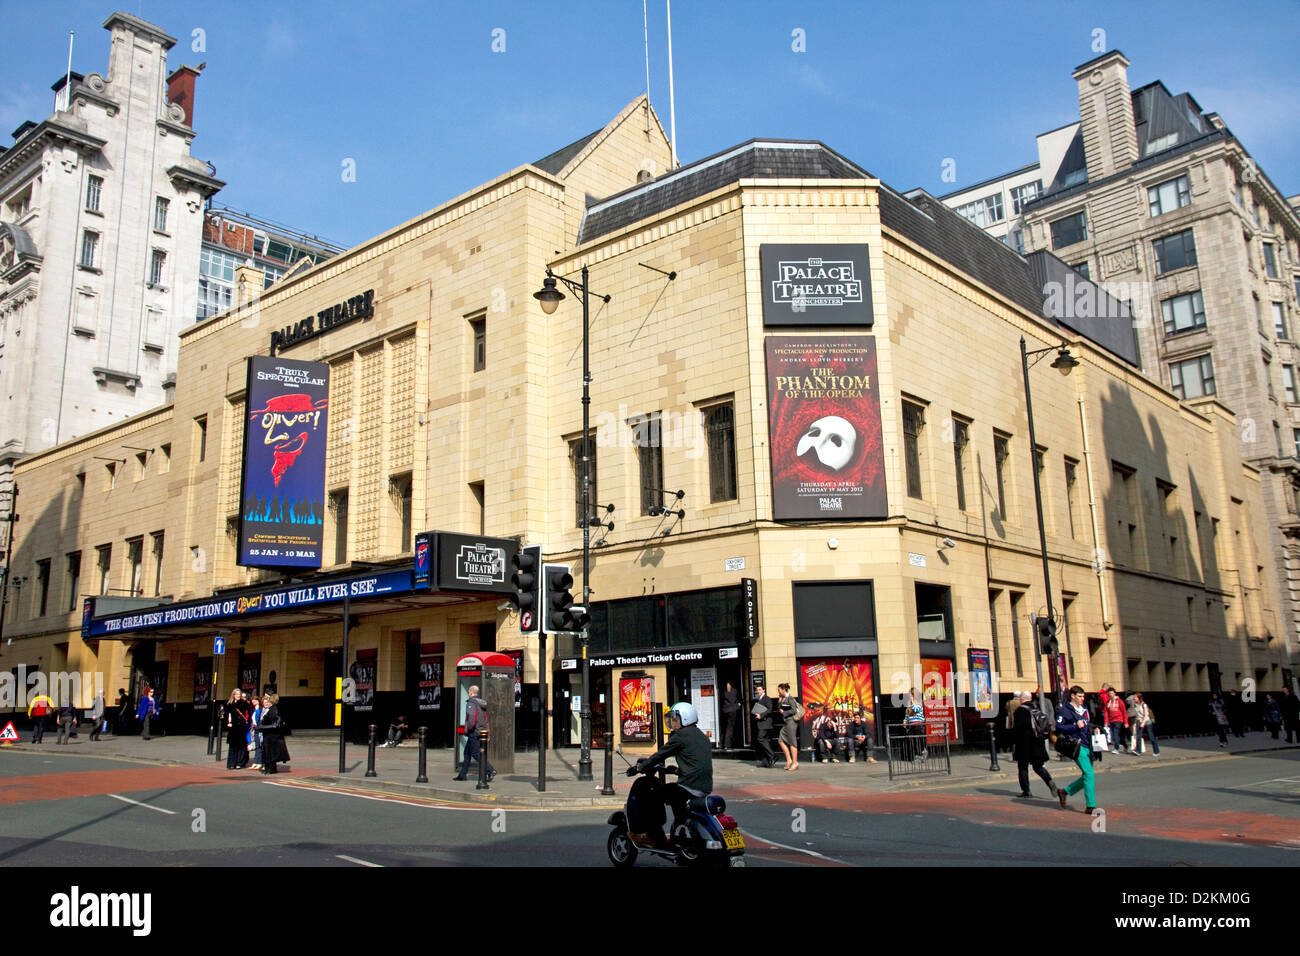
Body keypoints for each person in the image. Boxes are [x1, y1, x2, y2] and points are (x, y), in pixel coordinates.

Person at [635, 701, 713, 847]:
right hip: (704, 787)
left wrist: (641, 767)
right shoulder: (701, 735)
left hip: (688, 787)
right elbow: (696, 762)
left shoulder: (681, 736)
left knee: (651, 795)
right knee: (674, 799)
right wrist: (676, 770)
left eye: (675, 720)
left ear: (685, 719)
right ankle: (680, 831)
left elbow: (660, 754)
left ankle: (654, 836)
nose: (673, 723)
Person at [1056, 685, 1099, 813]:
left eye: (1083, 696)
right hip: (1077, 746)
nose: (1082, 698)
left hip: (1088, 745)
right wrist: (1075, 726)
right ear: (1073, 696)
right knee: (1089, 775)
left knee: (1087, 776)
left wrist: (1094, 728)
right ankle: (1091, 806)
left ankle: (1064, 791)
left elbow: (1087, 724)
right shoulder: (1064, 710)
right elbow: (1059, 726)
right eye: (1080, 696)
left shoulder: (1084, 709)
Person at [1011, 691, 1056, 799]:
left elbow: (1017, 729)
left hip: (1024, 744)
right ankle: (1050, 781)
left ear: (1022, 699)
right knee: (1038, 767)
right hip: (1037, 743)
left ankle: (1026, 791)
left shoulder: (1020, 711)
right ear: (1030, 698)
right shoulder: (1036, 708)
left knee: (1023, 767)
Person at [454, 685, 496, 782]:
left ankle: (490, 770)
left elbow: (471, 718)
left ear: (470, 692)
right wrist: (488, 733)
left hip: (474, 732)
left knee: (475, 754)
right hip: (480, 731)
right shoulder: (481, 703)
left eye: (469, 691)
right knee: (467, 753)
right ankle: (462, 775)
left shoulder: (471, 703)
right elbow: (486, 719)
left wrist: (468, 729)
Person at [256, 693, 289, 774]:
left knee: (269, 752)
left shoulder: (272, 709)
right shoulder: (274, 708)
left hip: (270, 734)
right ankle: (271, 768)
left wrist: (262, 725)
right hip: (273, 734)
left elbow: (270, 720)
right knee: (271, 752)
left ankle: (269, 769)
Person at [776, 683, 800, 771]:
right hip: (786, 722)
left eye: (779, 690)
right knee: (780, 740)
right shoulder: (783, 698)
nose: (778, 692)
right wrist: (779, 702)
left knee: (792, 741)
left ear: (783, 690)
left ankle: (795, 762)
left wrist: (784, 713)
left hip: (791, 722)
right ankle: (789, 760)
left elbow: (794, 710)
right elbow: (780, 708)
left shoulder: (790, 698)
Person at [751, 683, 776, 768]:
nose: (758, 691)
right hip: (762, 723)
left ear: (763, 690)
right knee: (765, 741)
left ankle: (773, 755)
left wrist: (761, 715)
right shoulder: (760, 699)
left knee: (760, 738)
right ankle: (766, 761)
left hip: (765, 723)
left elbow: (770, 709)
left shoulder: (766, 698)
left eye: (759, 689)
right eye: (757, 690)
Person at [225, 689, 249, 769]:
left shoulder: (244, 703)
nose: (238, 695)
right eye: (237, 694)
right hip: (233, 727)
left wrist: (246, 721)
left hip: (241, 726)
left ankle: (239, 763)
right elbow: (227, 715)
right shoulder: (230, 704)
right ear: (233, 695)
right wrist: (228, 723)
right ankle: (232, 763)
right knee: (233, 746)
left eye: (239, 694)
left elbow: (248, 712)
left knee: (241, 745)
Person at [903, 688, 927, 763]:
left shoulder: (918, 703)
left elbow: (915, 710)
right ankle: (916, 755)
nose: (909, 696)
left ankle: (920, 754)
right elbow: (907, 713)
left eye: (911, 694)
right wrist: (905, 721)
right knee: (912, 741)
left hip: (918, 724)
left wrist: (912, 702)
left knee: (917, 740)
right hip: (911, 724)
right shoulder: (909, 703)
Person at [1104, 687, 1128, 753]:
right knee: (1118, 736)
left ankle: (1116, 749)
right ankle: (1125, 746)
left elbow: (1124, 712)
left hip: (1119, 720)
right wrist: (1106, 722)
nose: (1111, 695)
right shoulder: (1108, 702)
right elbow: (1106, 713)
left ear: (1115, 693)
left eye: (1112, 693)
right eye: (1109, 693)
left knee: (1115, 734)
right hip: (1111, 720)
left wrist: (1126, 722)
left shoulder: (1119, 701)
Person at [720, 682, 740, 750]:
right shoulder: (735, 691)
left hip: (725, 711)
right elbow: (738, 699)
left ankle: (724, 743)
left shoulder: (724, 691)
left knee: (726, 727)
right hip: (732, 711)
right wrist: (738, 705)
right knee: (730, 728)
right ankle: (727, 744)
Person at [248, 695, 263, 770]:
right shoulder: (254, 709)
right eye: (252, 700)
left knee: (259, 746)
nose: (253, 701)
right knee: (257, 746)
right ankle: (256, 762)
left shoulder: (260, 709)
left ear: (258, 701)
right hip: (255, 729)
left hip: (259, 729)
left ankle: (259, 762)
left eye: (255, 700)